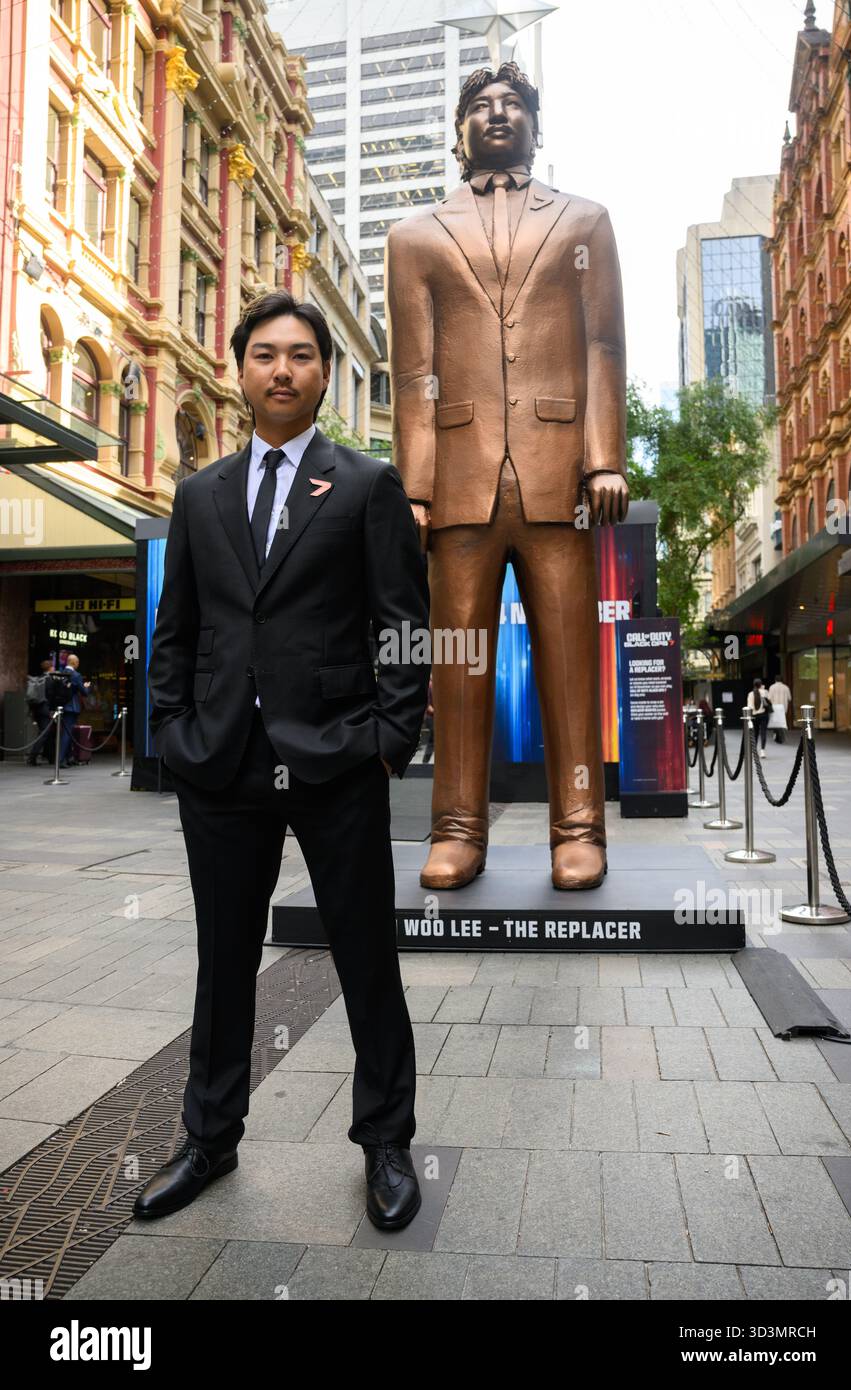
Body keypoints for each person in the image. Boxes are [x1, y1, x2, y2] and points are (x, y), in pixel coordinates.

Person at [138, 290, 430, 1230]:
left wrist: (389, 740)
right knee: (223, 960)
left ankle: (385, 1139)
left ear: (322, 373)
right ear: (240, 368)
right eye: (265, 353)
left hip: (336, 756)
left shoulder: (365, 484)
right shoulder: (200, 495)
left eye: (301, 355)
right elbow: (175, 628)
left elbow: (403, 625)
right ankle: (209, 1139)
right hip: (219, 763)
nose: (282, 369)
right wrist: (175, 732)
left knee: (364, 954)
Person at [386, 59, 629, 892]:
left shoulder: (585, 223)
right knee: (457, 662)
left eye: (511, 103)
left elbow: (602, 347)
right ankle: (456, 827)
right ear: (458, 133)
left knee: (568, 658)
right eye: (481, 106)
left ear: (534, 122)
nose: (497, 114)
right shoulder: (414, 237)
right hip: (458, 480)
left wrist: (605, 459)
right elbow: (413, 373)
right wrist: (412, 487)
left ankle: (579, 827)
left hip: (560, 476)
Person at [58, 654, 91, 768]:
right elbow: (84, 692)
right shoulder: (76, 675)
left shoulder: (61, 673)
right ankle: (61, 759)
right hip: (72, 707)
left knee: (65, 732)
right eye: (78, 662)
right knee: (67, 734)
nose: (78, 664)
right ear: (74, 663)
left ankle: (68, 758)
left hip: (61, 707)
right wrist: (87, 686)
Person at [25, 659, 56, 765]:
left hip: (36, 709)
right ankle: (32, 757)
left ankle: (51, 757)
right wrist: (52, 710)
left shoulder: (39, 678)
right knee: (44, 733)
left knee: (48, 733)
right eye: (53, 667)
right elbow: (50, 696)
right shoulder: (49, 680)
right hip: (45, 710)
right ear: (50, 668)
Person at [747, 677, 771, 757]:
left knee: (755, 733)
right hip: (763, 715)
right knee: (763, 732)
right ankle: (762, 751)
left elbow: (749, 706)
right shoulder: (765, 692)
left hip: (754, 716)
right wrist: (763, 689)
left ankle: (754, 751)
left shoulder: (750, 694)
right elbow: (770, 700)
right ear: (761, 684)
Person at [767, 672, 792, 744]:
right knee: (782, 722)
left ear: (775, 680)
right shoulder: (786, 687)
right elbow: (789, 698)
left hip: (774, 707)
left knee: (775, 722)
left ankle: (777, 735)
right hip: (783, 707)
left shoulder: (772, 687)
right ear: (782, 680)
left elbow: (769, 698)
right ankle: (780, 736)